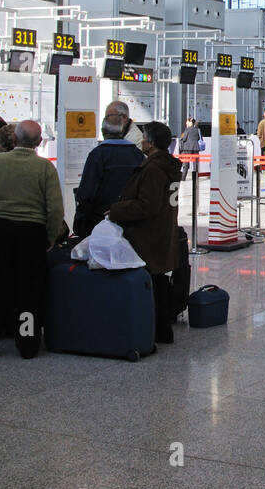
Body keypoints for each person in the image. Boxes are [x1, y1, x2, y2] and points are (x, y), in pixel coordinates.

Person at [0, 120, 64, 360]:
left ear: (14, 139)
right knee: (29, 292)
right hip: (32, 233)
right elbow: (55, 209)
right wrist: (49, 237)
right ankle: (28, 344)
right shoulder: (45, 169)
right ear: (39, 142)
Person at [107, 121, 183, 345]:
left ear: (150, 143)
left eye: (144, 138)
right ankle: (162, 331)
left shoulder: (153, 169)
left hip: (148, 234)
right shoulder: (170, 167)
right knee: (158, 281)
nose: (141, 141)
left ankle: (153, 331)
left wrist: (116, 209)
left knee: (153, 283)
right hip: (164, 229)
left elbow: (147, 206)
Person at [73, 114, 146, 236]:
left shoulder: (98, 155)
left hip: (101, 223)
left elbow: (86, 193)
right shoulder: (137, 154)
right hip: (130, 222)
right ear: (122, 131)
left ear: (103, 131)